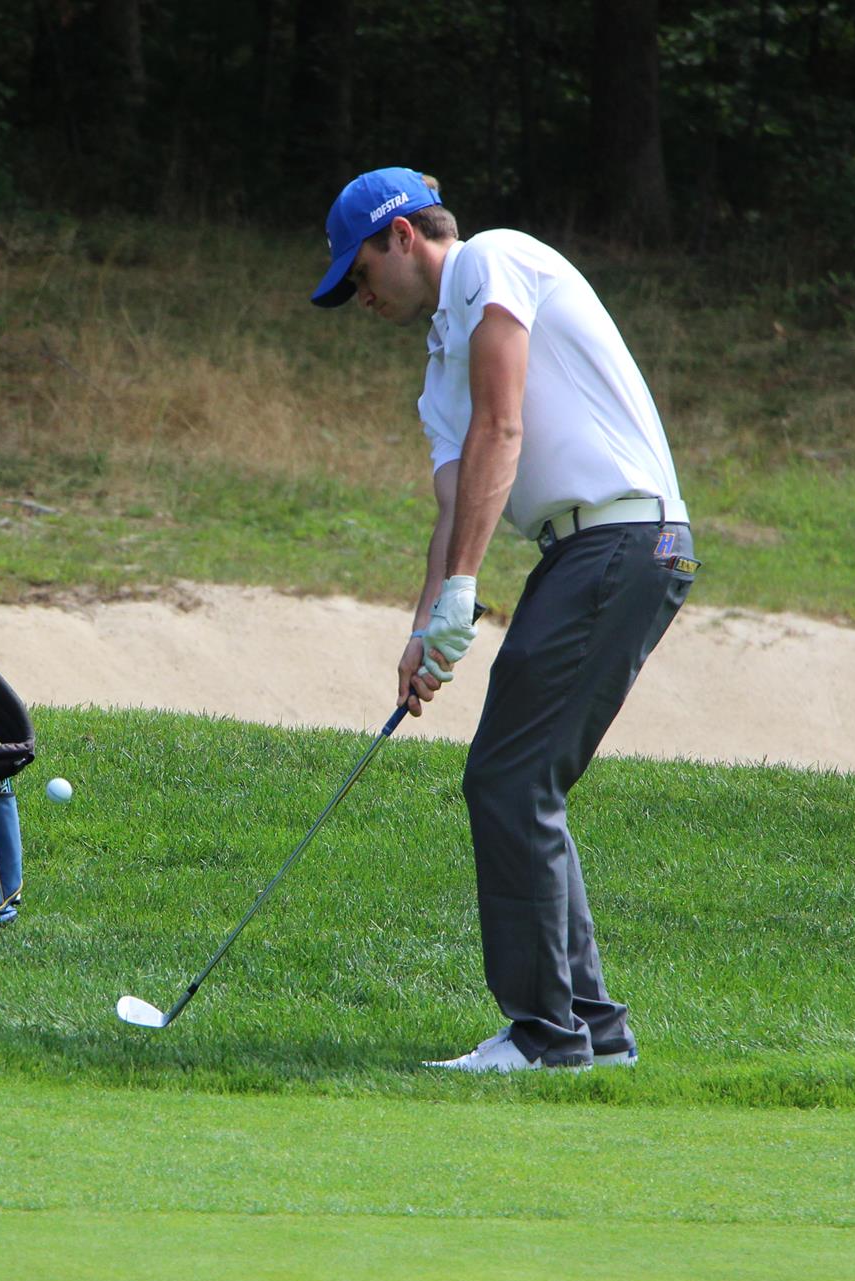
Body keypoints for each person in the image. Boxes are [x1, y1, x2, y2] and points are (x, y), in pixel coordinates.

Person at [310, 167, 698, 1073]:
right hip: (588, 555)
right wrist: (425, 628)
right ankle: (592, 1031)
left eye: (360, 272)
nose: (360, 296)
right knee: (519, 781)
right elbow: (454, 509)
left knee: (508, 778)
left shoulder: (494, 260)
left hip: (622, 538)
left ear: (402, 236)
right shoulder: (439, 372)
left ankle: (543, 1035)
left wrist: (464, 593)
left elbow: (505, 428)